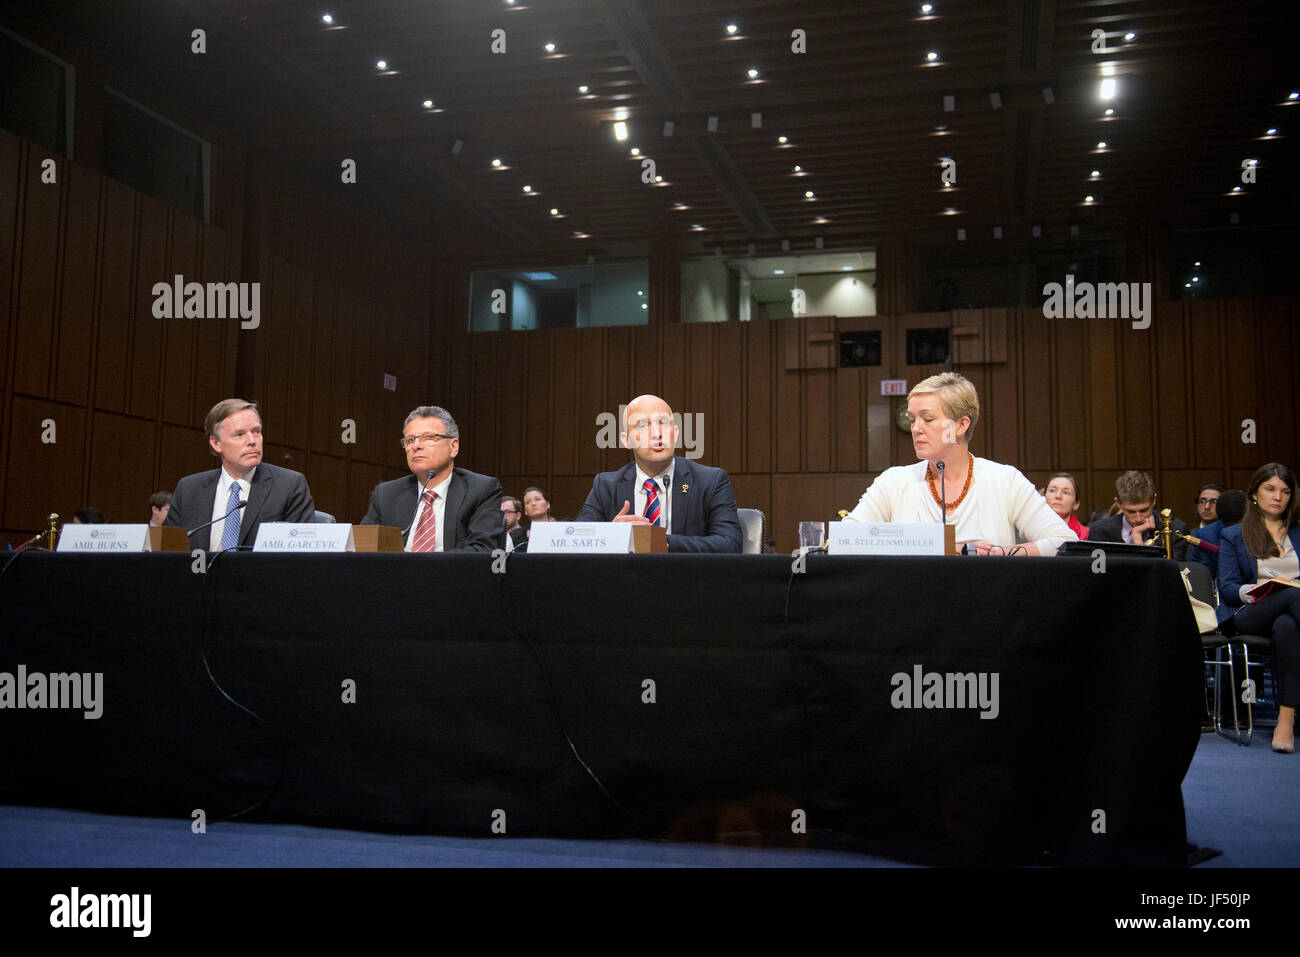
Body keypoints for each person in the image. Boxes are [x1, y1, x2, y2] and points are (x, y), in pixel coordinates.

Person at [845, 373, 1075, 555]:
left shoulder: (1005, 480)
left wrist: (1004, 553)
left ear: (961, 425)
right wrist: (935, 546)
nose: (915, 428)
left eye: (927, 419)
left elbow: (1065, 541)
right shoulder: (894, 481)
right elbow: (846, 538)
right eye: (913, 420)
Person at [576, 394, 742, 553]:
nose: (656, 433)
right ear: (626, 440)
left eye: (663, 423)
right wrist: (612, 535)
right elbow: (576, 541)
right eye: (642, 426)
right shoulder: (606, 486)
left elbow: (730, 543)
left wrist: (661, 542)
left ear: (675, 433)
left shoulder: (710, 481)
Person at [1217, 463, 1300, 753]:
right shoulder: (1234, 535)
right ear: (1254, 494)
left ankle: (1285, 720)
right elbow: (1227, 588)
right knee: (1290, 594)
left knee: (1287, 627)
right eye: (1270, 489)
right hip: (1251, 612)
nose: (1278, 497)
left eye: (1285, 491)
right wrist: (1267, 588)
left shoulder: (1298, 534)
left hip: (1290, 616)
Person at [164, 399, 314, 552]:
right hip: (200, 574)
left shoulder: (289, 486)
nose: (252, 441)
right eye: (239, 434)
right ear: (216, 443)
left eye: (256, 432)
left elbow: (299, 560)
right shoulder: (189, 489)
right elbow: (168, 553)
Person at [361, 405, 503, 552]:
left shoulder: (481, 490)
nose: (416, 446)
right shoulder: (386, 494)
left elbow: (482, 551)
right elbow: (362, 548)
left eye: (429, 437)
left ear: (454, 446)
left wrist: (426, 568)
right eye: (410, 440)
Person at [1087, 470, 1189, 560]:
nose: (1138, 518)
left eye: (1144, 510)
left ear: (1154, 500)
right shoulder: (1100, 531)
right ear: (1118, 503)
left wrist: (1137, 540)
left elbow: (1171, 575)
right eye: (1131, 512)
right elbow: (1099, 574)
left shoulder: (1176, 530)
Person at [1186, 489, 1246, 575]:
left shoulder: (1258, 530)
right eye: (1202, 501)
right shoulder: (1203, 535)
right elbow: (1203, 576)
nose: (1207, 507)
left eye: (1214, 501)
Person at [1044, 472, 1088, 541]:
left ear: (1076, 504)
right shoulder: (1028, 530)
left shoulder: (1086, 535)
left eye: (1066, 492)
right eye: (1052, 490)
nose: (1058, 496)